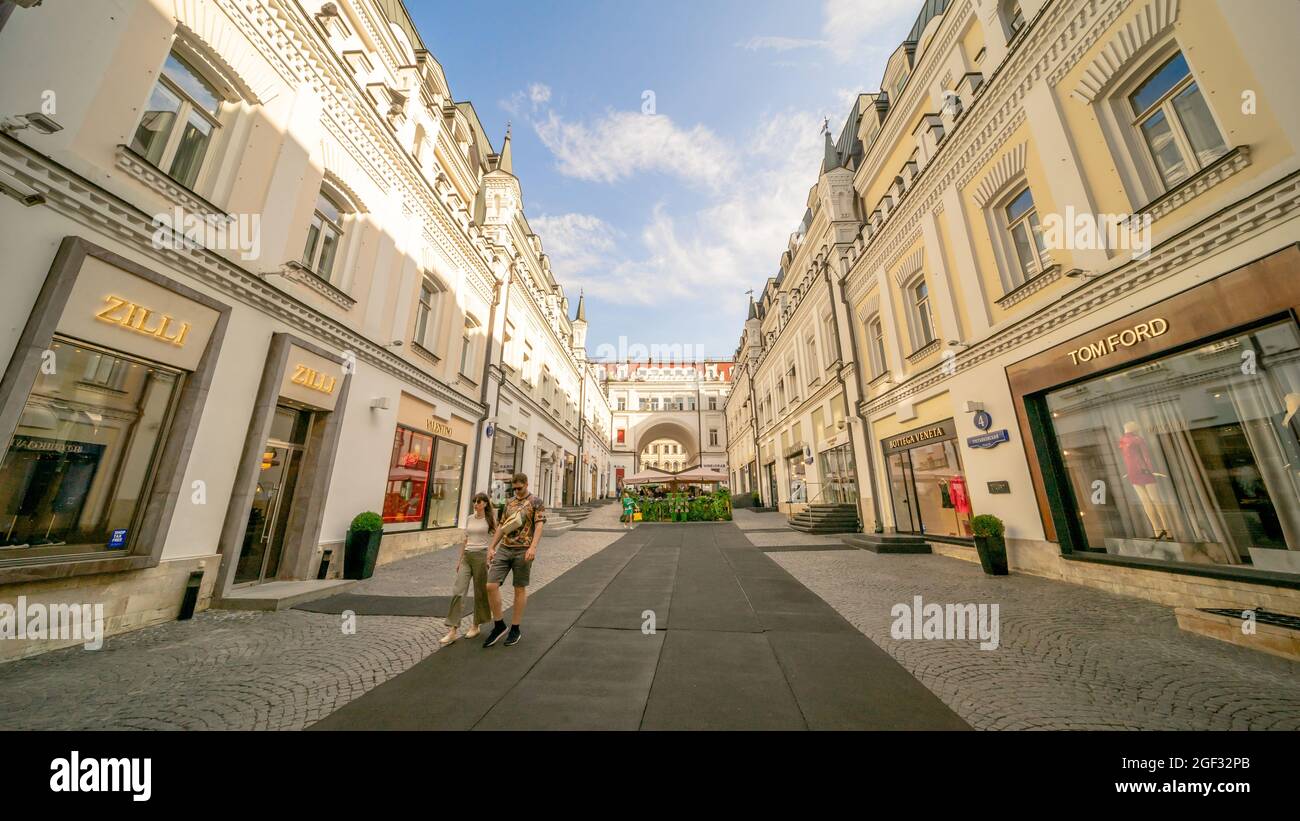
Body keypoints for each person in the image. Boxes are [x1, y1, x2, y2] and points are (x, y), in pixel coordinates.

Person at [482, 472, 545, 648]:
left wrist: (533, 547)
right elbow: (502, 525)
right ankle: (499, 624)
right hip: (505, 547)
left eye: (519, 487)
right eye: (514, 488)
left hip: (523, 550)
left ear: (526, 484)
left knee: (519, 588)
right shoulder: (508, 502)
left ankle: (515, 628)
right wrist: (492, 546)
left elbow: (539, 525)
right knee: (491, 585)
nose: (516, 491)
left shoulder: (536, 502)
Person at [439, 492, 495, 646]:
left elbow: (496, 537)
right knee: (458, 591)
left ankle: (476, 625)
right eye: (474, 501)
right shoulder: (470, 518)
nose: (475, 504)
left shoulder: (489, 519)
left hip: (481, 557)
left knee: (480, 593)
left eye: (478, 501)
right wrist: (460, 559)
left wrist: (490, 553)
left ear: (485, 503)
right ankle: (452, 630)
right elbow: (466, 539)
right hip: (467, 557)